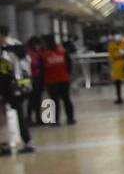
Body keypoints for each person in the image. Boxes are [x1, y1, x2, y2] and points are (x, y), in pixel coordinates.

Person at [0, 25, 34, 155]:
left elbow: (24, 65)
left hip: (13, 87)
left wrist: (23, 82)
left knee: (18, 114)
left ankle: (26, 141)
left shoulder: (15, 47)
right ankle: (5, 145)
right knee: (2, 118)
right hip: (4, 87)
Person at [40, 34, 74, 125]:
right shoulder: (43, 53)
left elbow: (69, 63)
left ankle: (70, 118)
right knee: (54, 100)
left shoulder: (62, 51)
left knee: (66, 99)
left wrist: (68, 74)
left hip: (62, 79)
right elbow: (42, 68)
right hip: (51, 81)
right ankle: (55, 120)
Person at [107, 32, 124, 104]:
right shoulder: (112, 44)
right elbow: (111, 55)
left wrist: (118, 54)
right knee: (118, 82)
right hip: (117, 65)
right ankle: (119, 98)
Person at [25, 37, 44, 126]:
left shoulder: (37, 52)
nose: (38, 46)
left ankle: (38, 117)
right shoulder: (28, 52)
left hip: (38, 78)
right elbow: (32, 63)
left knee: (38, 99)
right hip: (31, 78)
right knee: (32, 99)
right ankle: (29, 118)